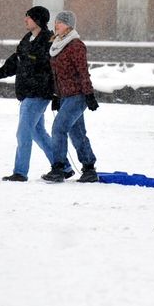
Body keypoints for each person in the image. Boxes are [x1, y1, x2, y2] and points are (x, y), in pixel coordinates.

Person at [0, 5, 72, 182]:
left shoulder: (49, 41)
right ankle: (63, 166)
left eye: (28, 17)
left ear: (38, 20)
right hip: (27, 95)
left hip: (38, 95)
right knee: (37, 133)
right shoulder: (27, 39)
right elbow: (14, 62)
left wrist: (57, 94)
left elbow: (56, 69)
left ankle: (20, 172)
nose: (25, 20)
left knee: (23, 132)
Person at [41, 10, 101, 183]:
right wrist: (56, 96)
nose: (56, 25)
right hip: (65, 96)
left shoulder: (76, 45)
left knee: (58, 128)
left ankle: (58, 168)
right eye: (56, 22)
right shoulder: (57, 45)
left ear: (68, 25)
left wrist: (89, 95)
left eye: (59, 22)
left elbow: (83, 72)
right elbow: (58, 75)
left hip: (78, 95)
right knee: (78, 134)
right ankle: (89, 169)